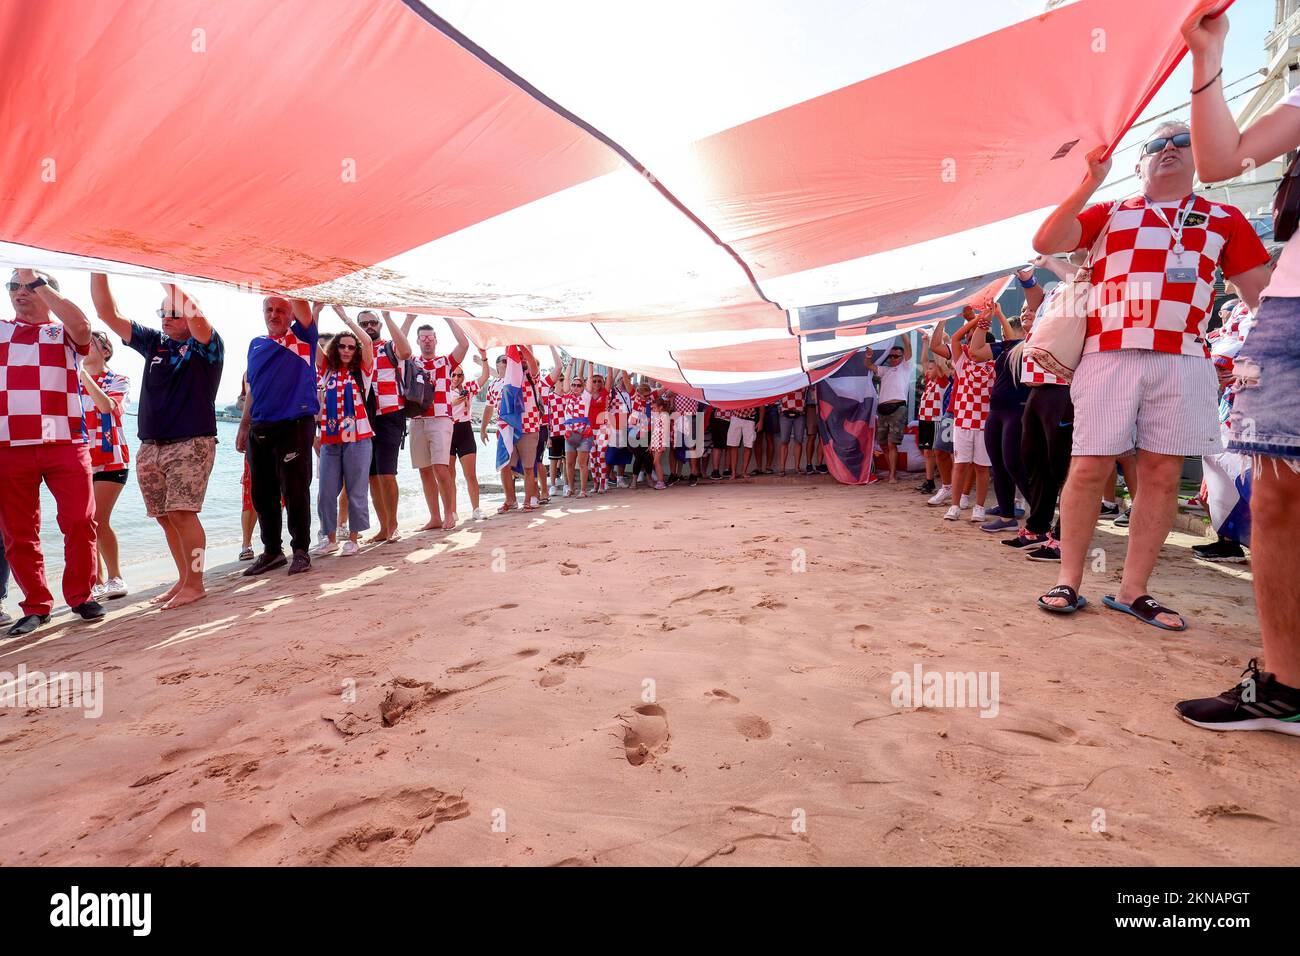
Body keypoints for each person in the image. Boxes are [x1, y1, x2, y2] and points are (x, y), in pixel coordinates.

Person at [1031, 115, 1270, 624]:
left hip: (1184, 357)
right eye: (1157, 143)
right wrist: (1090, 181)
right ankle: (1066, 581)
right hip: (1108, 353)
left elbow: (1260, 297)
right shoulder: (1111, 210)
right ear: (1139, 162)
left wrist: (1244, 357)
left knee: (1161, 472)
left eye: (1183, 140)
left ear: (1197, 155)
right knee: (1091, 465)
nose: (1170, 148)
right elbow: (1047, 242)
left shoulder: (1224, 217)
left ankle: (1134, 589)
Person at [1171, 9, 1300, 730]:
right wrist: (1208, 53)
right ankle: (1284, 685)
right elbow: (1222, 163)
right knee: (1278, 495)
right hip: (1293, 306)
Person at [94, 273, 223, 609]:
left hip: (191, 441)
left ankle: (196, 584)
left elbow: (193, 311)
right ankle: (184, 580)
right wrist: (98, 266)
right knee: (166, 517)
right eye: (162, 312)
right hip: (150, 445)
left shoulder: (206, 347)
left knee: (182, 513)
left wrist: (163, 275)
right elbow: (107, 313)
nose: (166, 317)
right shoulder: (155, 342)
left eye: (173, 312)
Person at [0, 269, 103, 636]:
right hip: (9, 447)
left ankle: (81, 596)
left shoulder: (63, 333)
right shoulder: (2, 330)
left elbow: (83, 325)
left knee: (79, 520)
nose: (20, 292)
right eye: (13, 286)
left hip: (65, 443)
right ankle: (36, 606)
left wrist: (38, 280)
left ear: (48, 292)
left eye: (29, 286)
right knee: (19, 532)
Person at [237, 296, 320, 577]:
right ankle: (272, 551)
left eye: (281, 310)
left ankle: (301, 550)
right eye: (269, 310)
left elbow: (302, 305)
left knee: (295, 489)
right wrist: (243, 425)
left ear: (292, 315)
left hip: (295, 422)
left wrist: (283, 277)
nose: (274, 315)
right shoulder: (256, 344)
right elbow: (253, 389)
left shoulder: (302, 338)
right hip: (260, 425)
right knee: (262, 493)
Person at [315, 307, 374, 556]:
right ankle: (329, 539)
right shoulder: (325, 370)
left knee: (356, 489)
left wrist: (345, 318)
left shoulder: (362, 371)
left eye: (351, 347)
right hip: (330, 438)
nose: (347, 350)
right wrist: (315, 312)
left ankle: (353, 537)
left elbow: (368, 341)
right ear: (334, 348)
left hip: (358, 438)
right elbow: (309, 341)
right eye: (342, 346)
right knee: (326, 491)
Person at [78, 330, 131, 600]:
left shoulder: (118, 380)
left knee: (98, 519)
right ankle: (96, 580)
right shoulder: (69, 382)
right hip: (80, 458)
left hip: (111, 458)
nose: (85, 346)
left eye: (93, 343)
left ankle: (115, 576)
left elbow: (107, 406)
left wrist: (83, 375)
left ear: (106, 350)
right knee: (85, 521)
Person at [968, 300, 1028, 535]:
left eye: (1028, 313)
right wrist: (984, 321)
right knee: (999, 466)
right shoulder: (1004, 347)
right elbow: (975, 351)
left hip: (1018, 410)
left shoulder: (1032, 343)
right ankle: (1007, 516)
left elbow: (1014, 340)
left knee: (1014, 464)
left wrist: (1000, 315)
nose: (1005, 331)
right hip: (997, 410)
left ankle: (1042, 515)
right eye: (1022, 312)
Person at [930, 307, 994, 522]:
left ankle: (979, 507)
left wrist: (989, 321)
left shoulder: (995, 366)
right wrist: (978, 320)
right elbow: (956, 338)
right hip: (963, 422)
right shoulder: (962, 363)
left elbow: (1009, 342)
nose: (974, 348)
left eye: (980, 344)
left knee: (982, 468)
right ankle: (955, 506)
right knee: (960, 465)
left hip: (985, 424)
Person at [408, 320, 470, 530]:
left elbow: (464, 344)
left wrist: (448, 318)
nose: (427, 342)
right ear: (417, 341)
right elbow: (397, 349)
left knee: (441, 468)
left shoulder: (445, 362)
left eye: (430, 338)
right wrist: (408, 319)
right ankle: (434, 517)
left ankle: (449, 513)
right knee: (424, 470)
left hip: (441, 418)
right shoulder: (412, 361)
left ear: (436, 340)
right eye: (423, 338)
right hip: (417, 419)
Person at [357, 310, 413, 540]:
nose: (369, 326)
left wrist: (388, 317)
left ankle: (393, 525)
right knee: (371, 475)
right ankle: (383, 527)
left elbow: (407, 351)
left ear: (378, 324)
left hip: (391, 414)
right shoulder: (356, 350)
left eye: (372, 322)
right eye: (364, 324)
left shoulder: (390, 346)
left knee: (387, 473)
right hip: (366, 416)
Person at [449, 350, 490, 521]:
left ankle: (476, 509)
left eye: (460, 375)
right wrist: (454, 402)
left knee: (470, 475)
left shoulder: (468, 389)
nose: (457, 378)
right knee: (450, 476)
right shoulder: (442, 389)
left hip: (465, 430)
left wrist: (484, 357)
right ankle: (452, 511)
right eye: (453, 375)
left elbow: (485, 376)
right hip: (448, 431)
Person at [916, 351, 950, 495]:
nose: (927, 370)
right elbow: (923, 361)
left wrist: (937, 351)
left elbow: (941, 365)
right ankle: (929, 481)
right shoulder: (929, 382)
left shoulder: (943, 383)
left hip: (935, 420)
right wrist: (924, 343)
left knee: (938, 453)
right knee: (927, 452)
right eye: (928, 369)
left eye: (931, 368)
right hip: (924, 419)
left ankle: (946, 484)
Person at [776, 389, 807, 476]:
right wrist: (779, 408)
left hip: (800, 412)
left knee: (799, 441)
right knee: (784, 441)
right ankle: (782, 469)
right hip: (785, 412)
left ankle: (797, 468)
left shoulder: (803, 379)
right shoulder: (786, 379)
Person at [727, 405, 761, 481]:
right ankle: (733, 473)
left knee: (748, 446)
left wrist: (760, 420)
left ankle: (744, 472)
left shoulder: (754, 392)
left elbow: (761, 404)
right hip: (736, 416)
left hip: (750, 418)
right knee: (733, 445)